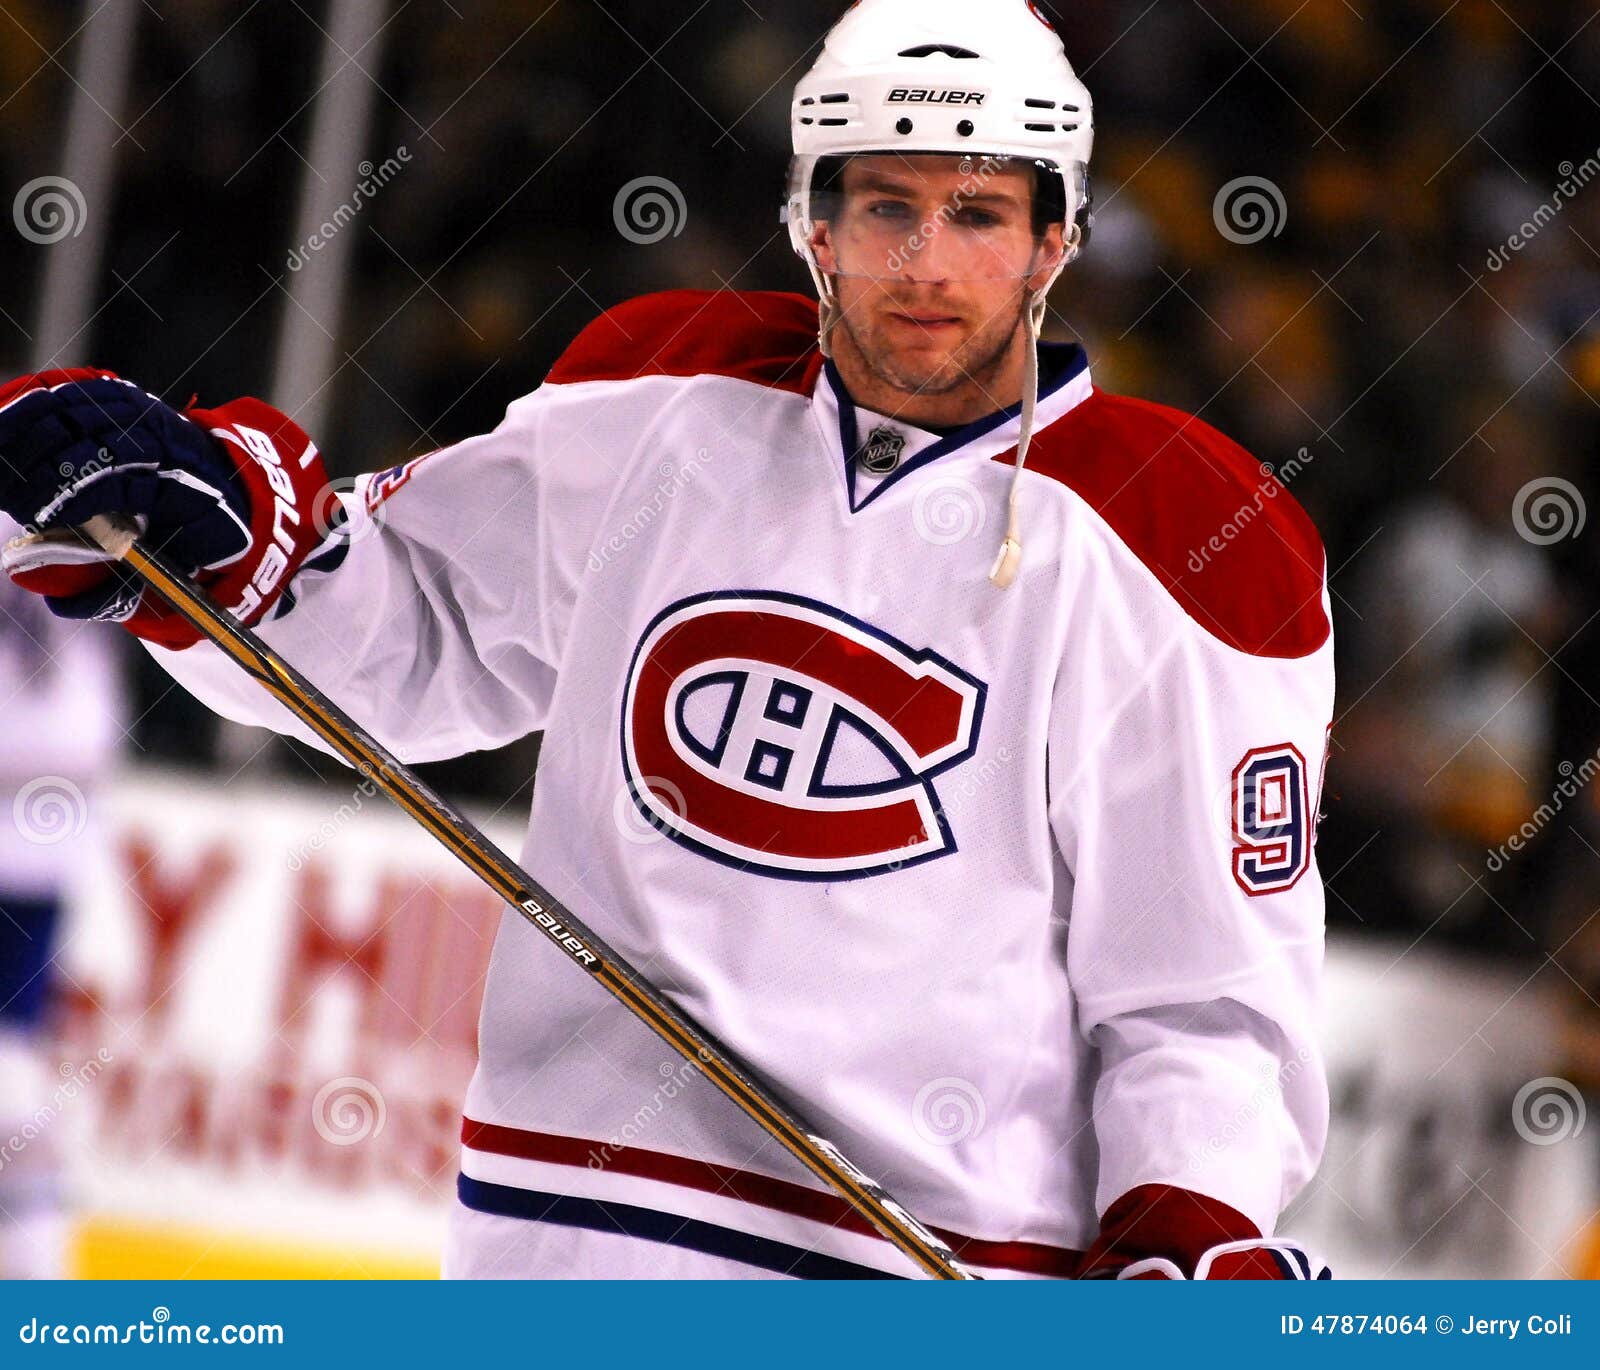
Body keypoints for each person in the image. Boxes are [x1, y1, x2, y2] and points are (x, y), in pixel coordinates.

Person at [0, 0, 1334, 1279]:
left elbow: (1202, 993)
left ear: (1055, 238)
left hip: (923, 1267)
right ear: (812, 219)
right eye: (884, 205)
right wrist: (210, 540)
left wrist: (1183, 1227)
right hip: (559, 1233)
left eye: (977, 212)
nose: (927, 260)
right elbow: (416, 626)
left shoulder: (1184, 538)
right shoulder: (663, 398)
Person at [0, 518, 122, 1278]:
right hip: (57, 819)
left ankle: (37, 1283)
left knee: (12, 1072)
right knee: (14, 1070)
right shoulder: (67, 494)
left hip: (39, 818)